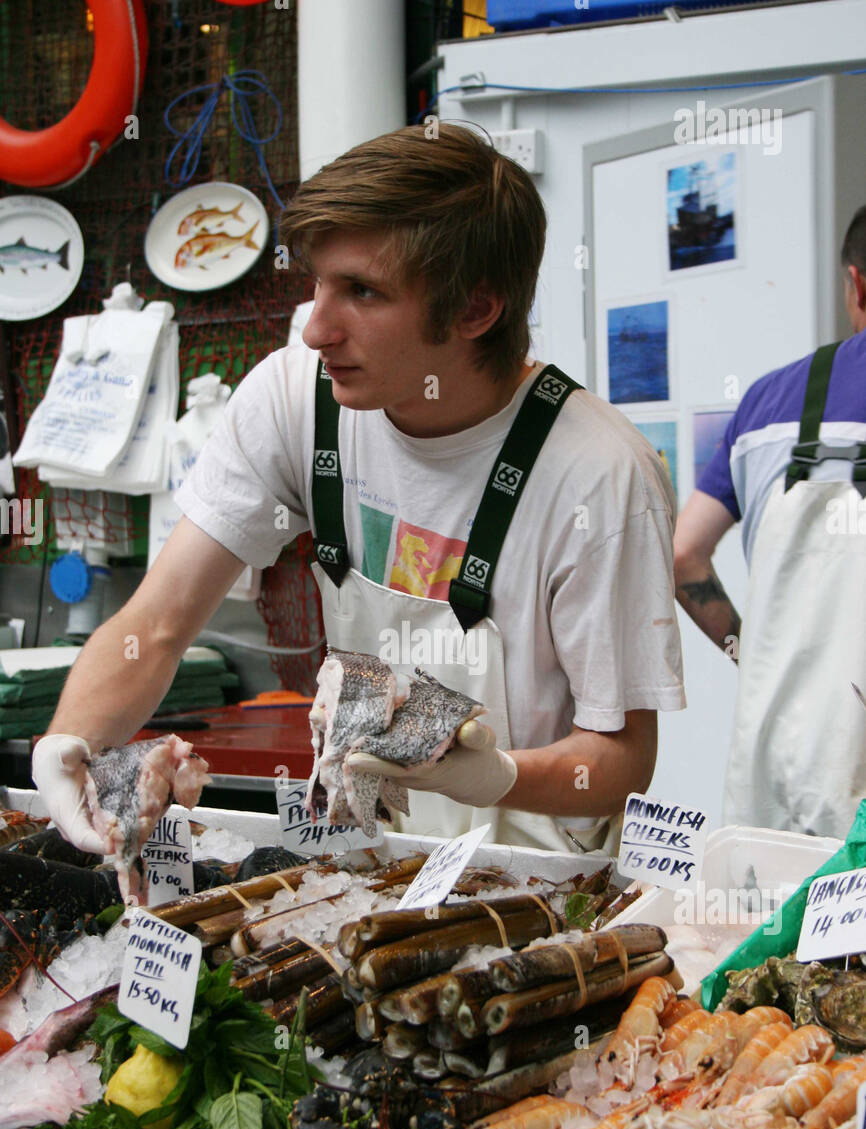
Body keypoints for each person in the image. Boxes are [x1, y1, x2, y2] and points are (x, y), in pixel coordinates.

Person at [33, 125, 684, 855]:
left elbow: (623, 757)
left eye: (362, 292)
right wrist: (67, 741)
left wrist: (492, 775)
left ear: (476, 310)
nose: (315, 329)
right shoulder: (296, 402)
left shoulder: (599, 476)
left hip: (535, 894)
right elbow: (154, 626)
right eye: (318, 283)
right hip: (363, 858)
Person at [674, 204, 866, 840]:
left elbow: (682, 557)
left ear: (856, 284)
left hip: (792, 746)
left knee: (787, 927)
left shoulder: (768, 403)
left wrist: (752, 654)